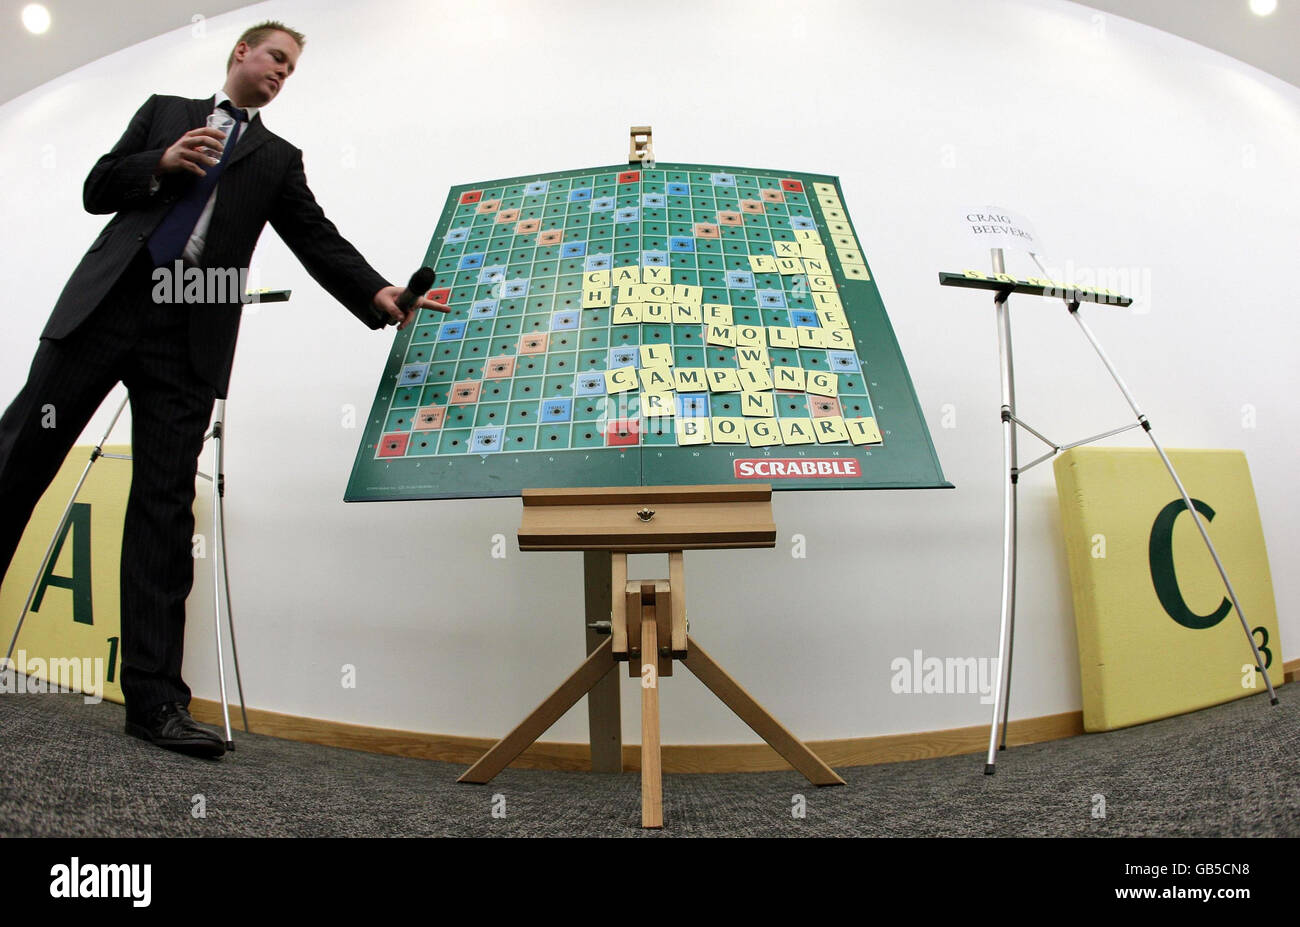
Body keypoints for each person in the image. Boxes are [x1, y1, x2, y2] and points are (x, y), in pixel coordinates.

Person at [0, 21, 446, 759]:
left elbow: (317, 238)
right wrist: (161, 161)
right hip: (106, 307)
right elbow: (96, 188)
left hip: (189, 340)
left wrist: (378, 293)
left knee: (164, 512)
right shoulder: (164, 110)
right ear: (240, 52)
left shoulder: (275, 158)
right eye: (276, 57)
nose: (282, 74)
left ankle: (155, 704)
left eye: (292, 70)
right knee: (18, 459)